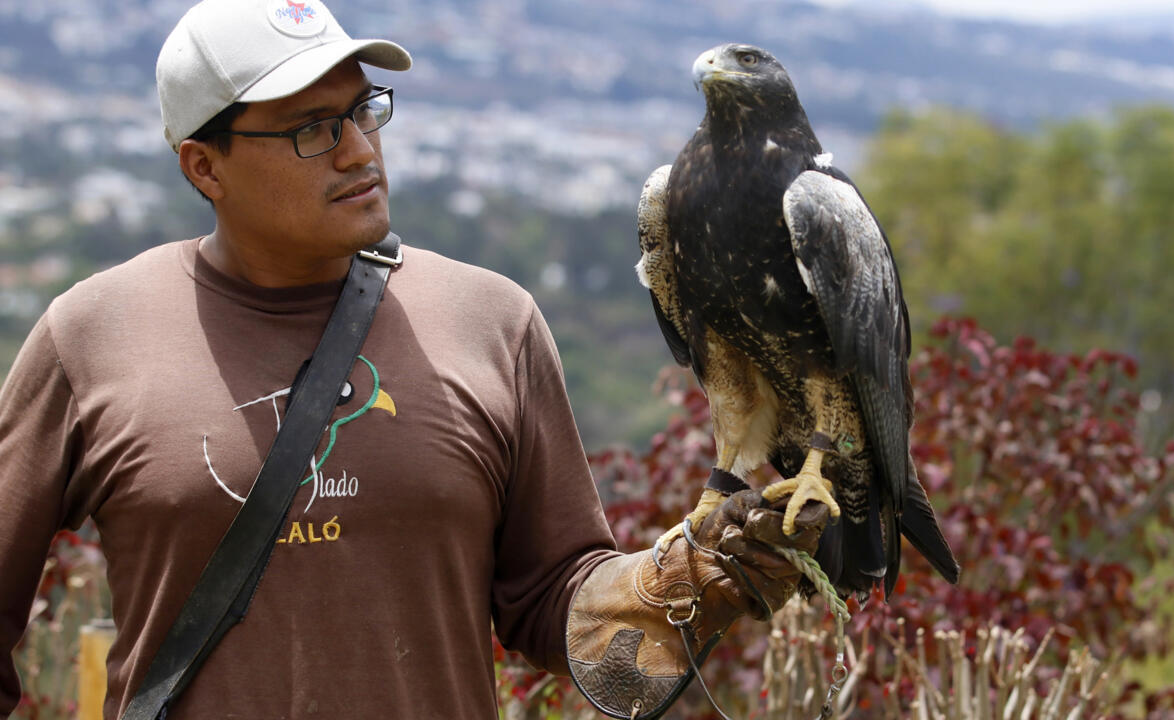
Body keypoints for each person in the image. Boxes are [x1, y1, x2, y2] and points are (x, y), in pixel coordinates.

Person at [0, 1, 827, 718]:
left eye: (363, 111)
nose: (360, 151)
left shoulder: (491, 323)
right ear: (203, 166)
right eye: (312, 130)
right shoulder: (92, 336)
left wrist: (681, 583)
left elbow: (553, 602)